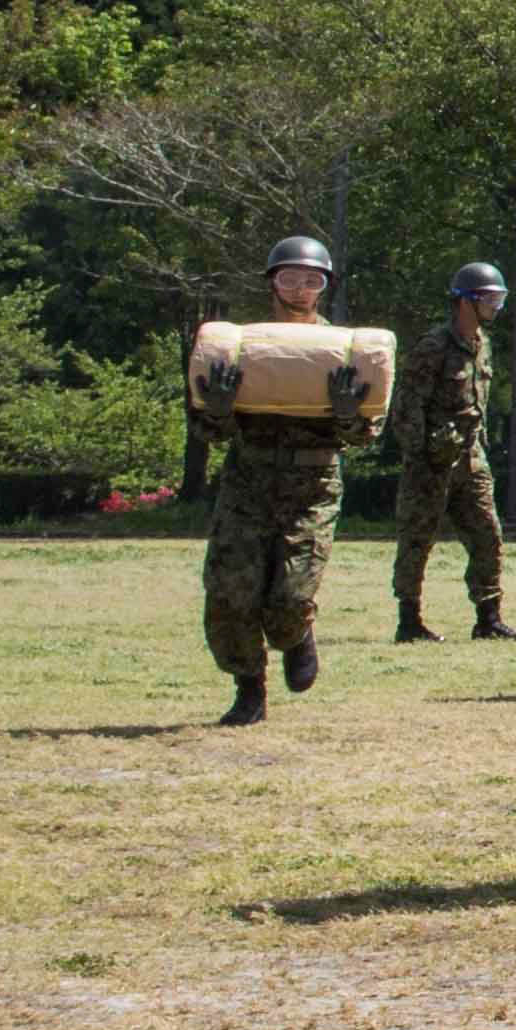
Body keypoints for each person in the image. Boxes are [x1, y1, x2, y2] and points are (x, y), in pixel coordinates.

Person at [191, 235, 380, 726]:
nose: (299, 289)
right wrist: (219, 409)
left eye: (310, 281)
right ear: (272, 284)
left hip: (312, 484)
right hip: (248, 478)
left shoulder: (340, 353)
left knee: (291, 597)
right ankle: (249, 689)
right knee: (231, 591)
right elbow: (209, 432)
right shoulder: (243, 350)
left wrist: (346, 414)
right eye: (289, 279)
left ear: (324, 289)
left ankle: (297, 634)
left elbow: (363, 435)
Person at [387, 260, 516, 642]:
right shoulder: (433, 347)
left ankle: (489, 619)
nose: (496, 306)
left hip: (471, 461)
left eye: (500, 298)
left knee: (488, 537)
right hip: (430, 465)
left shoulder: (484, 345)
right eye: (490, 298)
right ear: (466, 301)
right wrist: (422, 454)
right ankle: (409, 622)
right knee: (416, 541)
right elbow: (406, 407)